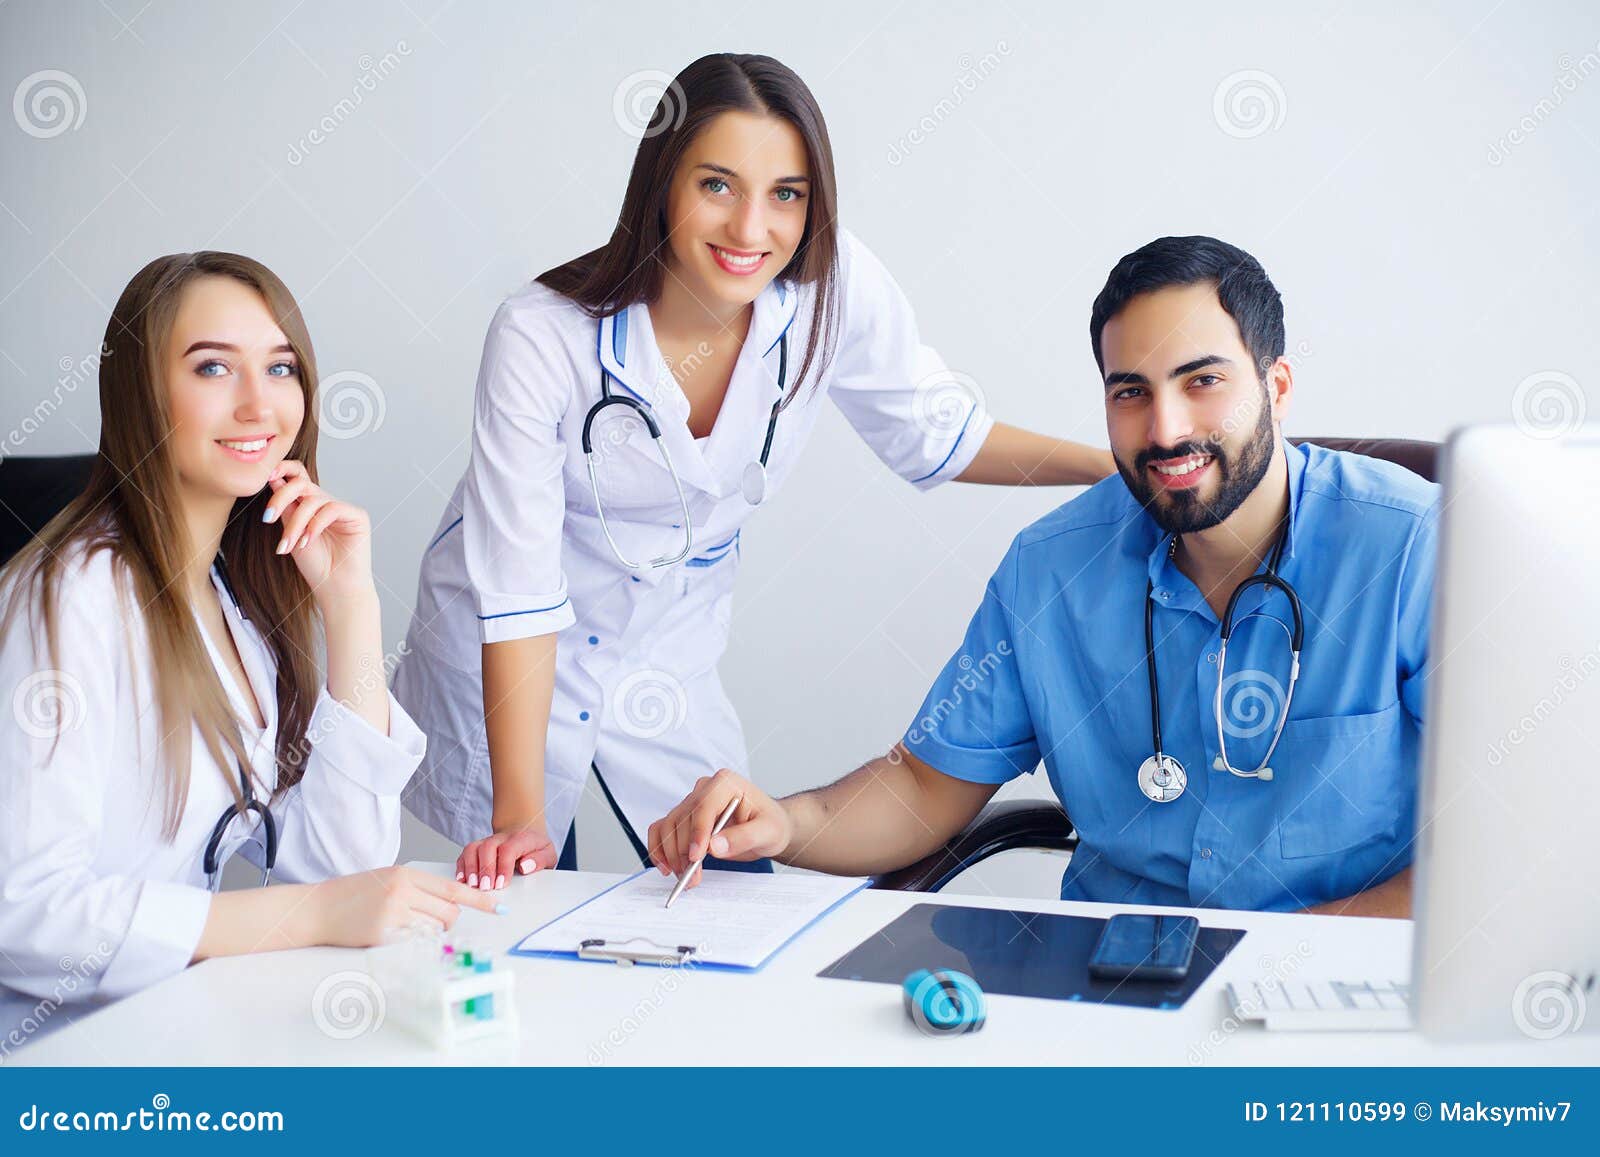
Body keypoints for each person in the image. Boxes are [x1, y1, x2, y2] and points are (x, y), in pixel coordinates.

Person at [395, 52, 1114, 891]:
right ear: (662, 183)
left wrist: (1112, 468)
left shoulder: (831, 288)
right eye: (717, 185)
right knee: (527, 898)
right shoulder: (540, 335)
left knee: (723, 884)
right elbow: (517, 587)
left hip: (669, 653)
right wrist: (518, 815)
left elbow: (939, 432)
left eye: (786, 194)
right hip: (510, 663)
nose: (750, 230)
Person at [647, 235, 1439, 917]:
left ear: (1277, 387)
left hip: (1333, 984)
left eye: (1203, 382)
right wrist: (785, 822)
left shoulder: (1410, 549)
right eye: (1131, 393)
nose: (1165, 429)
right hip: (1115, 983)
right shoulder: (1051, 569)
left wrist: (1294, 956)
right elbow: (925, 788)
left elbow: (1509, 828)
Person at [0, 252, 498, 1049]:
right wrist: (307, 914)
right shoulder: (74, 594)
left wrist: (351, 605)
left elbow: (342, 866)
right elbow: (19, 910)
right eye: (211, 367)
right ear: (138, 391)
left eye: (280, 367)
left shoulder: (231, 603)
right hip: (64, 1061)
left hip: (170, 1026)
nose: (259, 405)